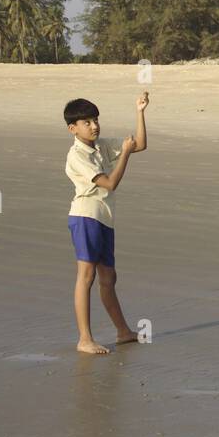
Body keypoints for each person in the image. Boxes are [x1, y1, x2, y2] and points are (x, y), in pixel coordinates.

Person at [63, 92, 149, 355]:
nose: (94, 126)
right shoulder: (77, 156)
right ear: (72, 128)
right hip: (85, 217)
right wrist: (123, 155)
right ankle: (84, 338)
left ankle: (123, 332)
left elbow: (140, 145)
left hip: (104, 219)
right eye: (86, 122)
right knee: (86, 276)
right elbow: (110, 183)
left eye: (95, 120)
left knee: (108, 277)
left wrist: (140, 111)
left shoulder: (99, 146)